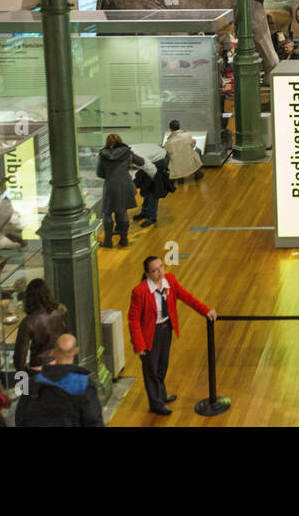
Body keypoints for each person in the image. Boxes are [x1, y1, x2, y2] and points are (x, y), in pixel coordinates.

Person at [128, 255, 217, 416]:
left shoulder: (171, 281)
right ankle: (156, 403)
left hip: (165, 329)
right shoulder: (139, 291)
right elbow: (133, 320)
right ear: (147, 274)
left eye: (161, 267)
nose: (160, 272)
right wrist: (139, 345)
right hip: (150, 335)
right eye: (154, 270)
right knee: (151, 370)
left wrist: (206, 310)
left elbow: (188, 297)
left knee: (162, 365)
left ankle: (161, 395)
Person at [14, 334, 103, 428]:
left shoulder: (33, 382)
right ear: (76, 351)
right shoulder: (83, 383)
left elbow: (20, 418)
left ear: (54, 353)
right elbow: (93, 420)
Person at [13, 278, 69, 375]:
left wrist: (23, 371)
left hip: (39, 367)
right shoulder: (61, 311)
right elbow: (67, 337)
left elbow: (20, 354)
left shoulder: (28, 322)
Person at [97, 133, 142, 248]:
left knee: (107, 212)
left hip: (110, 185)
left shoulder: (103, 155)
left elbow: (100, 173)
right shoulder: (126, 152)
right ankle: (124, 240)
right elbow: (140, 161)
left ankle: (108, 241)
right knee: (122, 211)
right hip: (125, 184)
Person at [163, 118, 203, 184]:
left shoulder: (168, 142)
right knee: (198, 150)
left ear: (170, 129)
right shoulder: (187, 135)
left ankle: (178, 177)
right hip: (190, 162)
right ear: (179, 127)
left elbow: (167, 152)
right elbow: (193, 144)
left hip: (177, 165)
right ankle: (197, 171)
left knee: (168, 157)